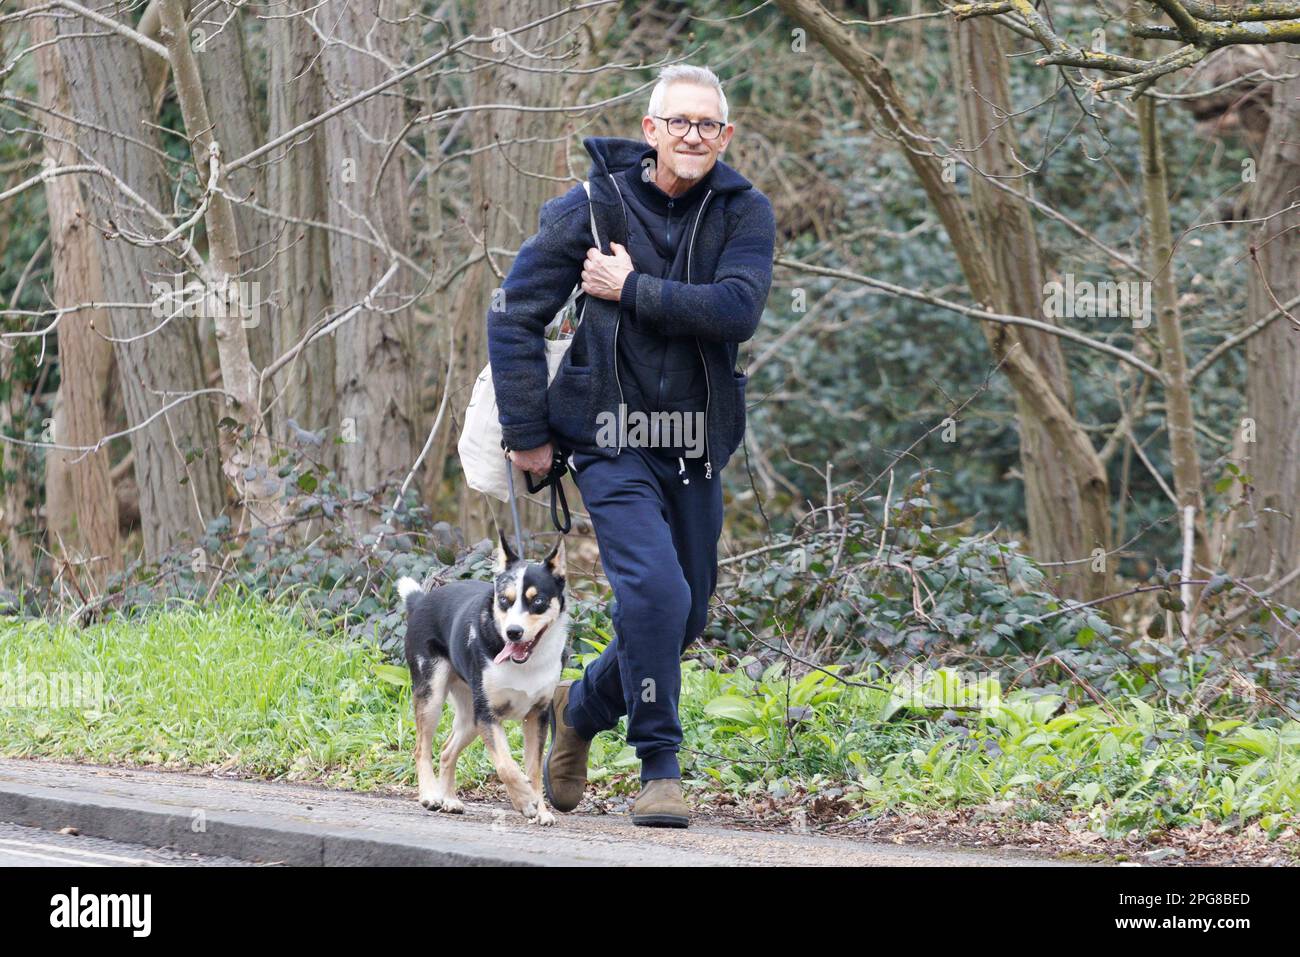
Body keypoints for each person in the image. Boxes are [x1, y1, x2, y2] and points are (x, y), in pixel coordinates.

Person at [486, 63, 775, 827]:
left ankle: (579, 708)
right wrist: (526, 432)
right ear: (651, 131)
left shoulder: (744, 212)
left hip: (695, 442)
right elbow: (513, 312)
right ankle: (660, 765)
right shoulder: (592, 206)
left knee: (686, 617)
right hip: (608, 438)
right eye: (678, 122)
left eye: (707, 124)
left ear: (725, 135)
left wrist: (632, 287)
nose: (692, 135)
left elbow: (736, 309)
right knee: (654, 593)